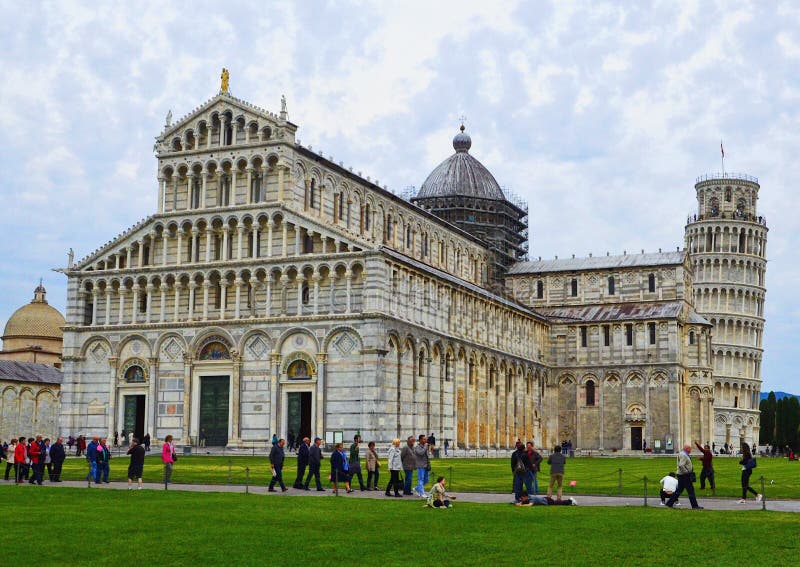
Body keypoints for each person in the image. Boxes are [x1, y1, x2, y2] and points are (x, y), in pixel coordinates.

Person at [666, 444, 703, 509]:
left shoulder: (683, 454)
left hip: (681, 475)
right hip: (684, 476)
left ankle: (669, 503)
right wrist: (687, 472)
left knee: (679, 490)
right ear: (687, 449)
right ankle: (695, 506)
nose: (691, 450)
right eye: (690, 449)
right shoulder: (683, 455)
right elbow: (681, 465)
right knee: (690, 491)